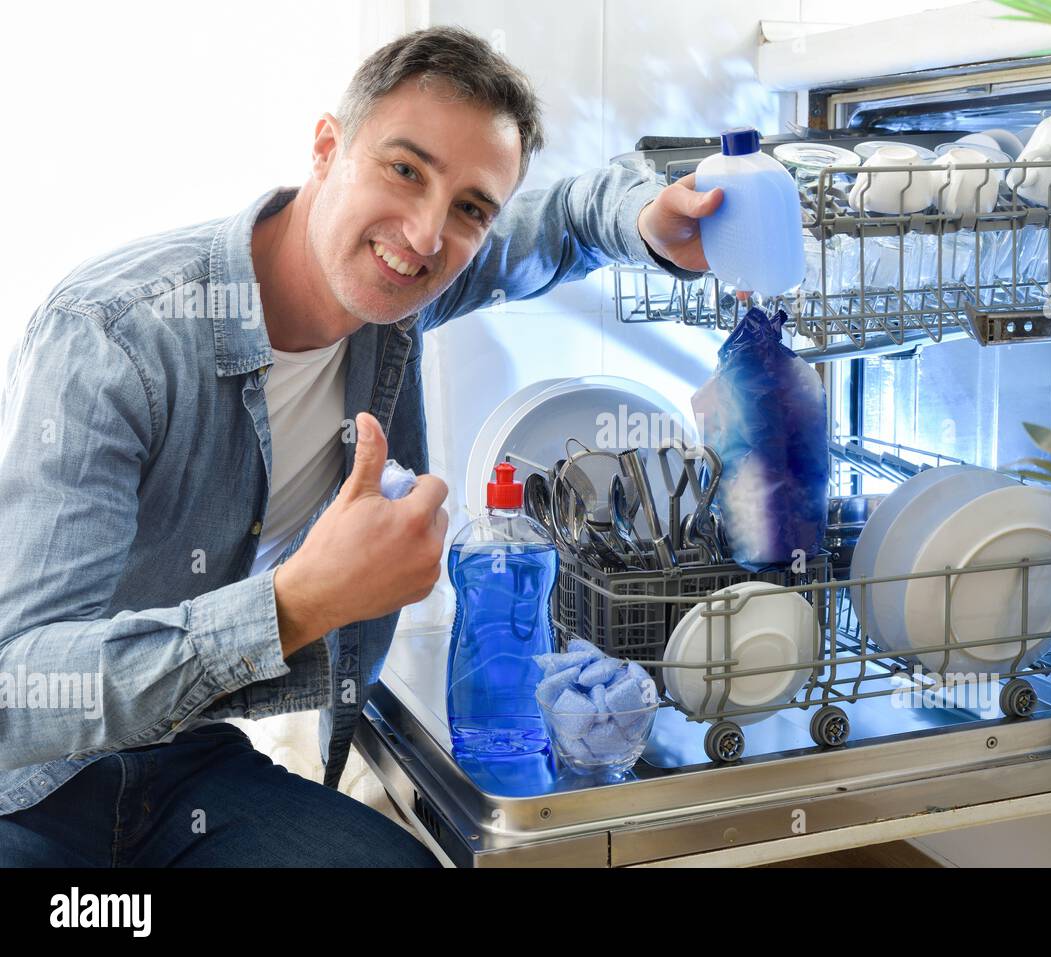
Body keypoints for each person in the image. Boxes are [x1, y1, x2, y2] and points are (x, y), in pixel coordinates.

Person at [0, 25, 720, 866]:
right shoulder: (116, 338)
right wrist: (296, 602)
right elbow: (21, 684)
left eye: (469, 208)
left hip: (184, 759)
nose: (422, 235)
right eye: (404, 169)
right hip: (29, 785)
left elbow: (561, 219)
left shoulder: (396, 302)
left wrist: (645, 218)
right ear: (326, 147)